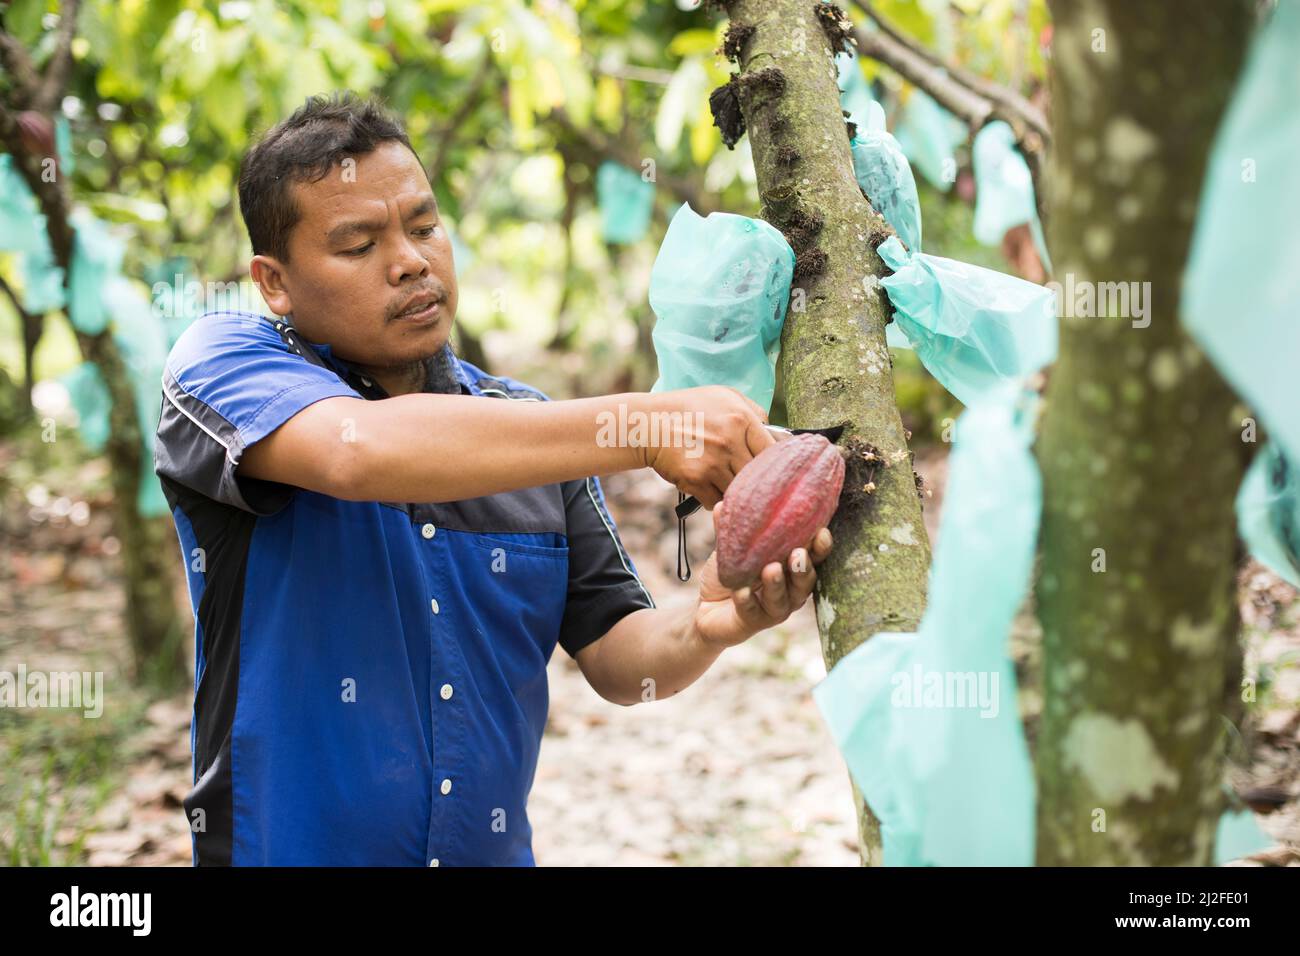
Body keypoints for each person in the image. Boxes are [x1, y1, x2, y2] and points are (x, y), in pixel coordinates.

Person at [154, 91, 834, 866]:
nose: (410, 260)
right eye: (358, 245)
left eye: (423, 226)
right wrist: (646, 425)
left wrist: (712, 620)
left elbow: (619, 659)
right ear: (274, 282)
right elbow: (356, 452)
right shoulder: (221, 367)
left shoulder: (528, 428)